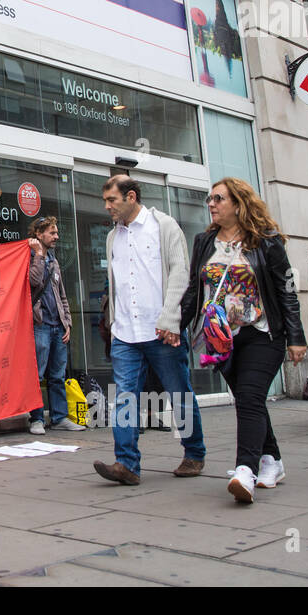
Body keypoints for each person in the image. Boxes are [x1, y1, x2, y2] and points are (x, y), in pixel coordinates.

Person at [181, 178, 305, 504]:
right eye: (210, 199)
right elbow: (195, 290)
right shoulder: (204, 241)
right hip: (222, 339)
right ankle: (272, 461)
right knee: (250, 401)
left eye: (219, 199)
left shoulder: (266, 242)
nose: (212, 204)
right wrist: (174, 326)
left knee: (249, 398)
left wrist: (297, 337)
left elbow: (286, 292)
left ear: (238, 203)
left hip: (263, 334)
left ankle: (245, 471)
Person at [93, 176, 206, 486]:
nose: (107, 206)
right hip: (126, 334)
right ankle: (126, 464)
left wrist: (171, 321)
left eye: (112, 200)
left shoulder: (164, 226)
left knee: (178, 393)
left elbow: (181, 275)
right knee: (125, 398)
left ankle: (194, 452)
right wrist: (114, 324)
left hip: (161, 331)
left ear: (131, 197)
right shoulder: (112, 236)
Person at [26, 216, 83, 434]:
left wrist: (67, 322)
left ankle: (59, 417)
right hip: (39, 325)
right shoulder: (31, 257)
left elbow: (62, 295)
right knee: (37, 374)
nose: (56, 237)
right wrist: (39, 255)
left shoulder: (54, 260)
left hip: (57, 326)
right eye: (52, 233)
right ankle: (37, 419)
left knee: (57, 375)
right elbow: (33, 282)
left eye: (56, 232)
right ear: (39, 234)